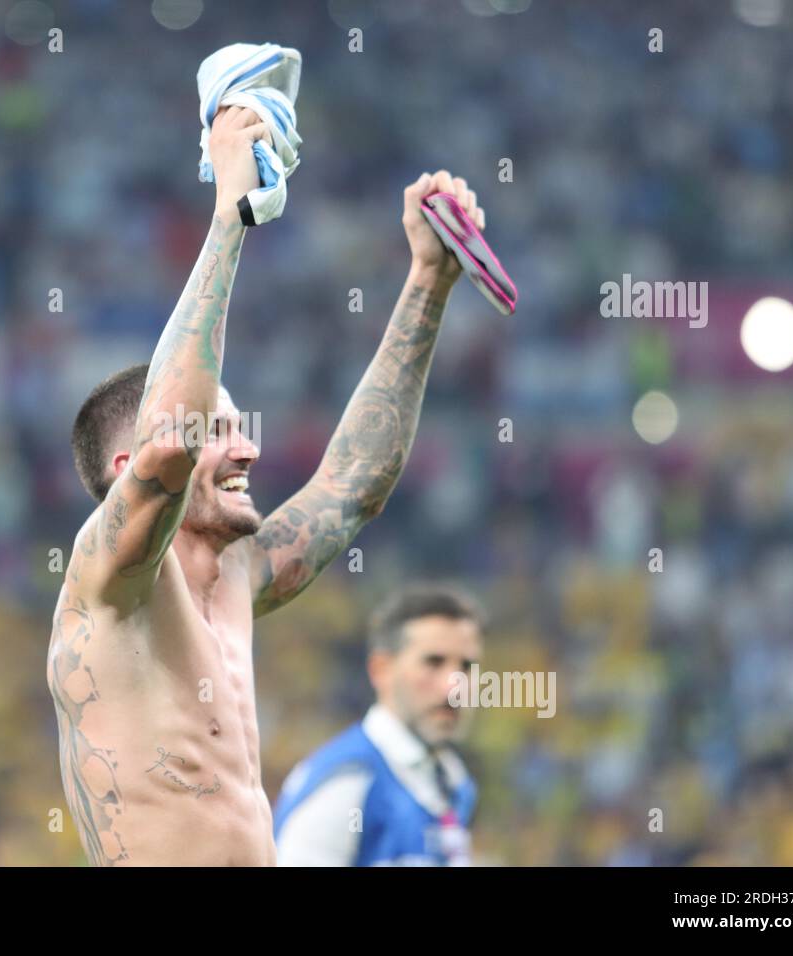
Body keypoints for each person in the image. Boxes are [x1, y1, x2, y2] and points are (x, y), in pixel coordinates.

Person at [49, 102, 488, 866]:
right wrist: (232, 213)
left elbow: (354, 485)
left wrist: (428, 279)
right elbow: (170, 440)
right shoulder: (109, 582)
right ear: (126, 473)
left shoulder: (235, 577)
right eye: (221, 430)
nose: (247, 447)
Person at [273, 586, 483, 866]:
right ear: (381, 670)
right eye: (433, 662)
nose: (453, 686)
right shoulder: (347, 779)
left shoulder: (455, 783)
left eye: (466, 667)